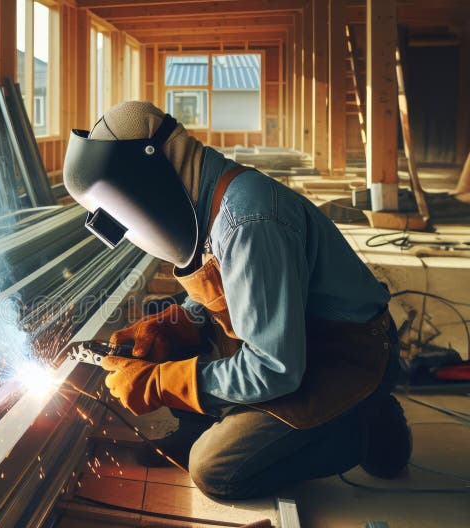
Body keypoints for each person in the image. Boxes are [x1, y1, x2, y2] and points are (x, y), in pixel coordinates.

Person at [63, 101, 411, 500]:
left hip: (340, 358)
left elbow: (274, 368)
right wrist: (175, 324)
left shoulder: (248, 221)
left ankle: (363, 426)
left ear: (147, 173)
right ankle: (196, 427)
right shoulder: (203, 198)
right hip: (290, 337)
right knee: (169, 329)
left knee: (215, 469)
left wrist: (163, 383)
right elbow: (231, 294)